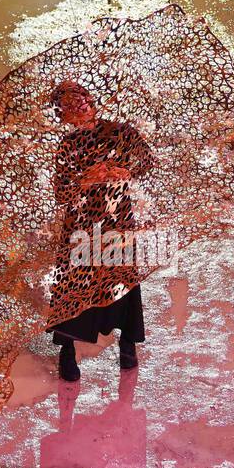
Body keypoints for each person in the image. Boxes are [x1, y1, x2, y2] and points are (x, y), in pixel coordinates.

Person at [45, 81, 157, 382]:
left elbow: (146, 160)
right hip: (81, 225)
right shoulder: (68, 145)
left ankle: (128, 343)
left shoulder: (120, 132)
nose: (77, 105)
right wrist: (85, 179)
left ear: (90, 100)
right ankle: (67, 350)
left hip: (116, 220)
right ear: (63, 115)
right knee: (73, 282)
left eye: (80, 98)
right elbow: (61, 193)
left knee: (121, 279)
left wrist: (126, 171)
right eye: (68, 105)